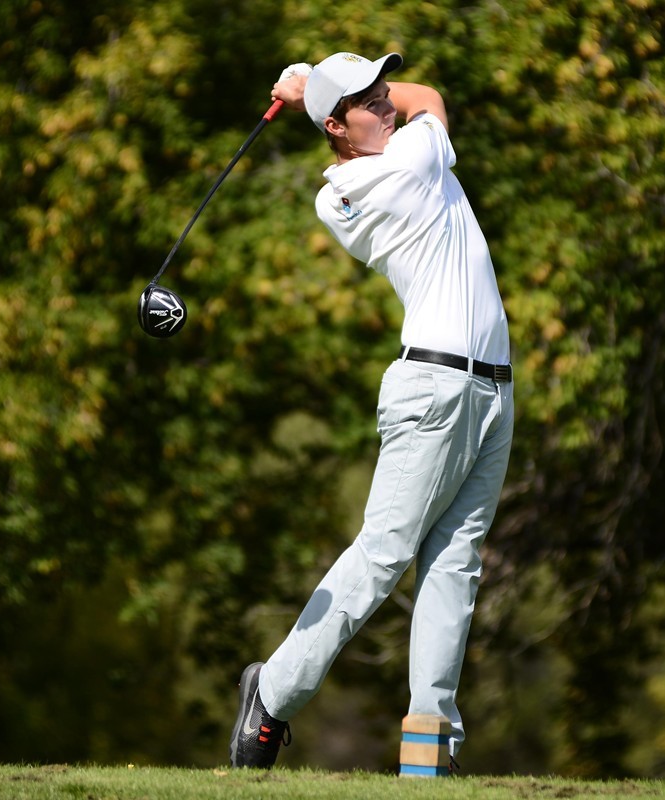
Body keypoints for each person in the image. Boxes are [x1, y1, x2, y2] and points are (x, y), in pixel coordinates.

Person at [228, 51, 515, 770]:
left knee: (456, 563)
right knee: (386, 554)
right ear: (337, 123)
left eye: (383, 92)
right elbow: (432, 92)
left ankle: (430, 745)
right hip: (436, 387)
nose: (388, 104)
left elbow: (400, 99)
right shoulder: (410, 160)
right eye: (367, 102)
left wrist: (311, 91)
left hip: (486, 388)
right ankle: (274, 692)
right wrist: (304, 87)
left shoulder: (337, 191)